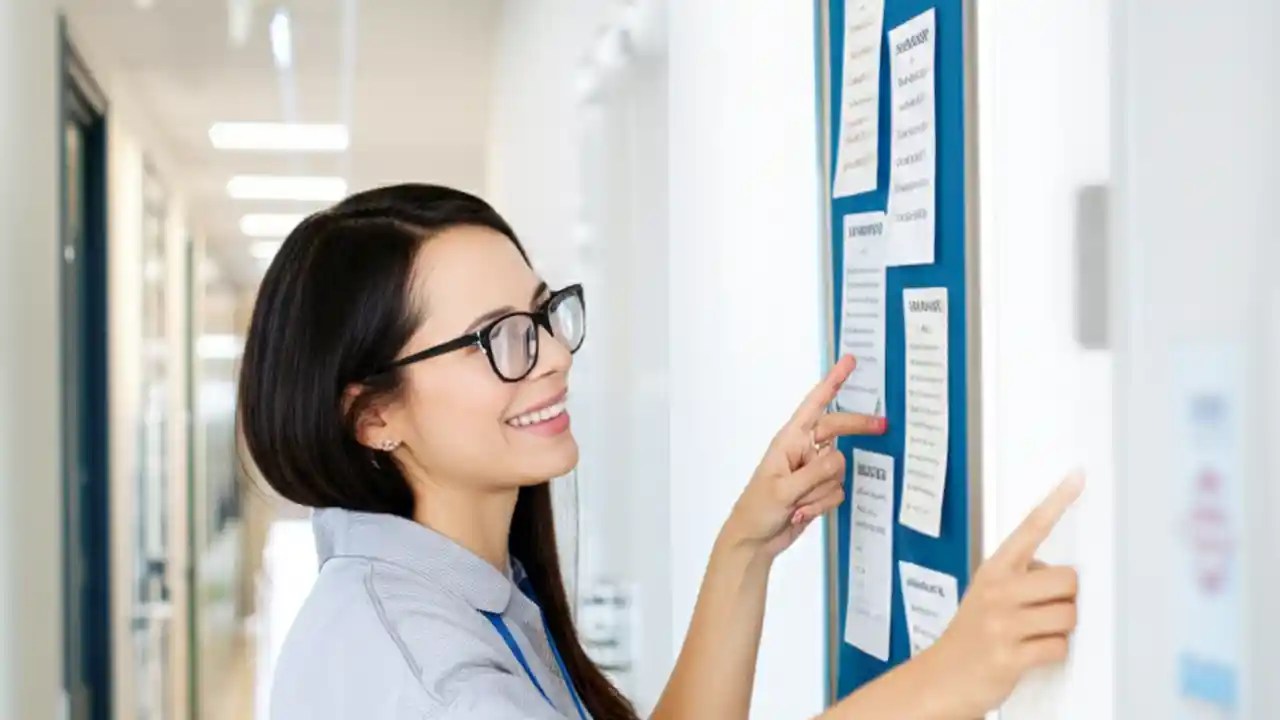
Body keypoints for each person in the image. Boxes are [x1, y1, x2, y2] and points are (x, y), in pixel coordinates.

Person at [240, 184, 1081, 720]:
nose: (555, 356)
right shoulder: (422, 673)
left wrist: (743, 551)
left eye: (543, 317)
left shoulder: (454, 589)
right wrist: (957, 675)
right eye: (501, 339)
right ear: (372, 416)